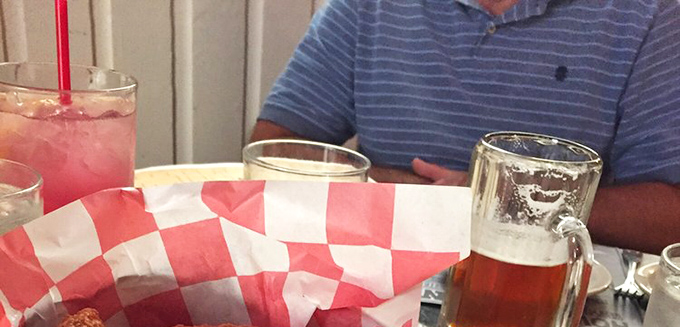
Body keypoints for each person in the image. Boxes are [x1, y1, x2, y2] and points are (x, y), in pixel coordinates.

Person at [250, 0, 680, 255]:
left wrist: (493, 199)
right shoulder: (370, 7)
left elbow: (668, 216)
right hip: (380, 272)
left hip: (544, 301)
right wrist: (434, 197)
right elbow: (272, 152)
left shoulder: (651, 15)